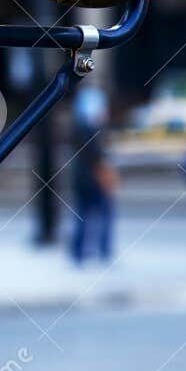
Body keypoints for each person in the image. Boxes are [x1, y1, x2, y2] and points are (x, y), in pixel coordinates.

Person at [68, 86, 118, 264]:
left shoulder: (81, 130)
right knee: (102, 214)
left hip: (83, 181)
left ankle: (79, 251)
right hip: (93, 181)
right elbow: (97, 159)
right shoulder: (90, 132)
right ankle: (101, 251)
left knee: (83, 216)